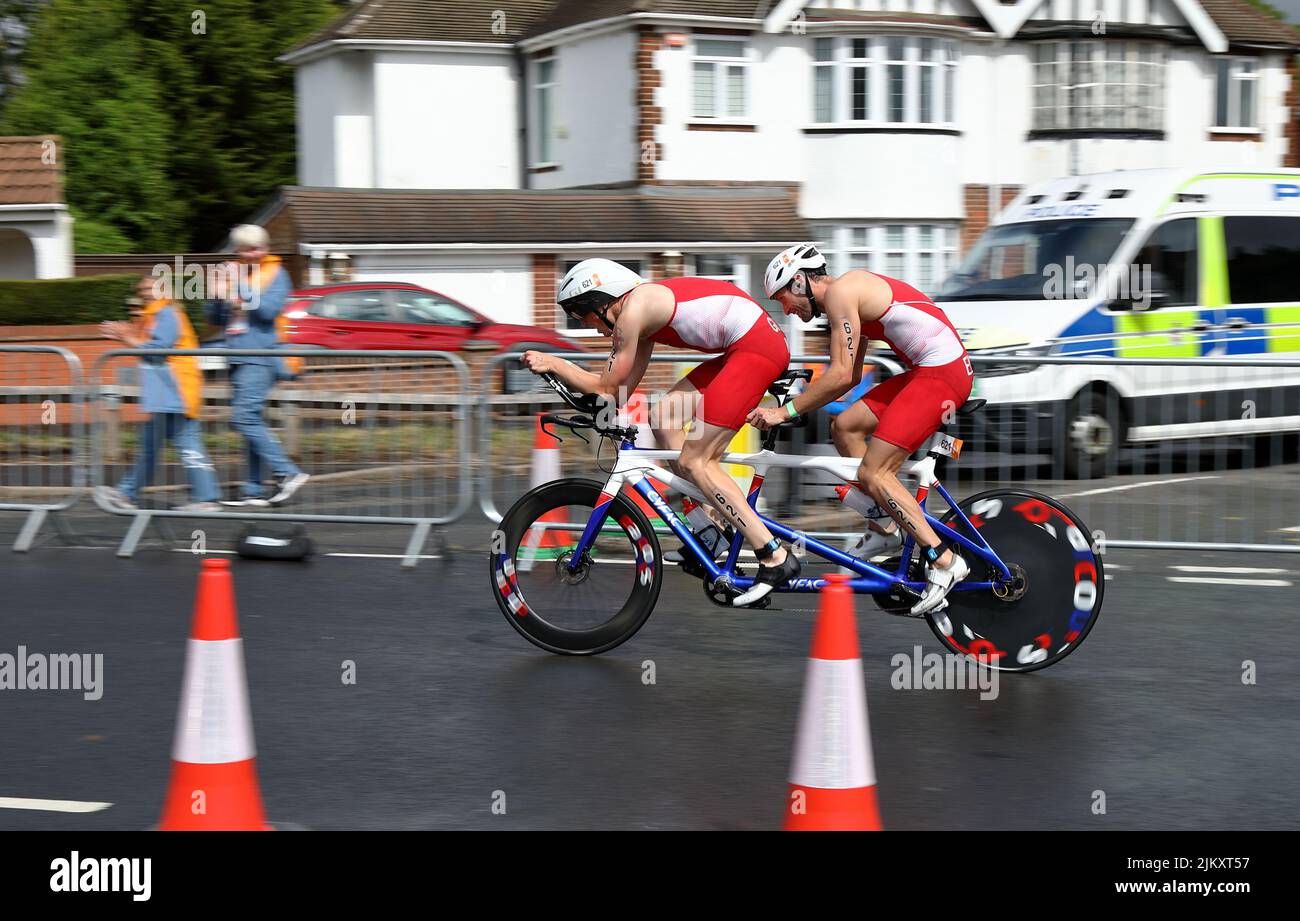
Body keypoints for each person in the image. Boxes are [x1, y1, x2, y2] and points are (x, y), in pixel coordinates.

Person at [521, 258, 799, 606]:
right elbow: (617, 393)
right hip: (744, 348)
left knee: (698, 460)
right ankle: (708, 527)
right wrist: (602, 412)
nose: (591, 329)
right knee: (663, 416)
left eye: (583, 317)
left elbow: (607, 385)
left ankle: (773, 555)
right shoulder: (642, 319)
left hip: (754, 349)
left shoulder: (633, 311)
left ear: (599, 300)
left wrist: (556, 363)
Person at [747, 244, 974, 615]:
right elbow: (849, 375)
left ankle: (945, 560)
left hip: (940, 374)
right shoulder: (847, 298)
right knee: (846, 427)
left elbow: (838, 374)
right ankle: (885, 522)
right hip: (926, 372)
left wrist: (783, 413)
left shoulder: (840, 294)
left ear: (801, 282)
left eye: (784, 297)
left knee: (874, 471)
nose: (786, 308)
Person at [205, 224, 309, 508]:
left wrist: (238, 284)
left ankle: (288, 472)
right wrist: (216, 294)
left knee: (243, 418)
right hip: (237, 355)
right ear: (238, 250)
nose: (253, 254)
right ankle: (252, 489)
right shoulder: (229, 273)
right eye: (246, 249)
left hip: (262, 355)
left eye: (258, 248)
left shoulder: (278, 274)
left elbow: (267, 313)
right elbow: (214, 318)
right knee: (251, 420)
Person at [97, 275, 221, 512]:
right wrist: (129, 335)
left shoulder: (166, 313)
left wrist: (127, 338)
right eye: (141, 288)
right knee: (154, 443)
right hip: (169, 391)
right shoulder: (157, 314)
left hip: (176, 389)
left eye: (149, 287)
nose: (143, 292)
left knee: (184, 443)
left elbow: (158, 350)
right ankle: (128, 492)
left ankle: (206, 498)